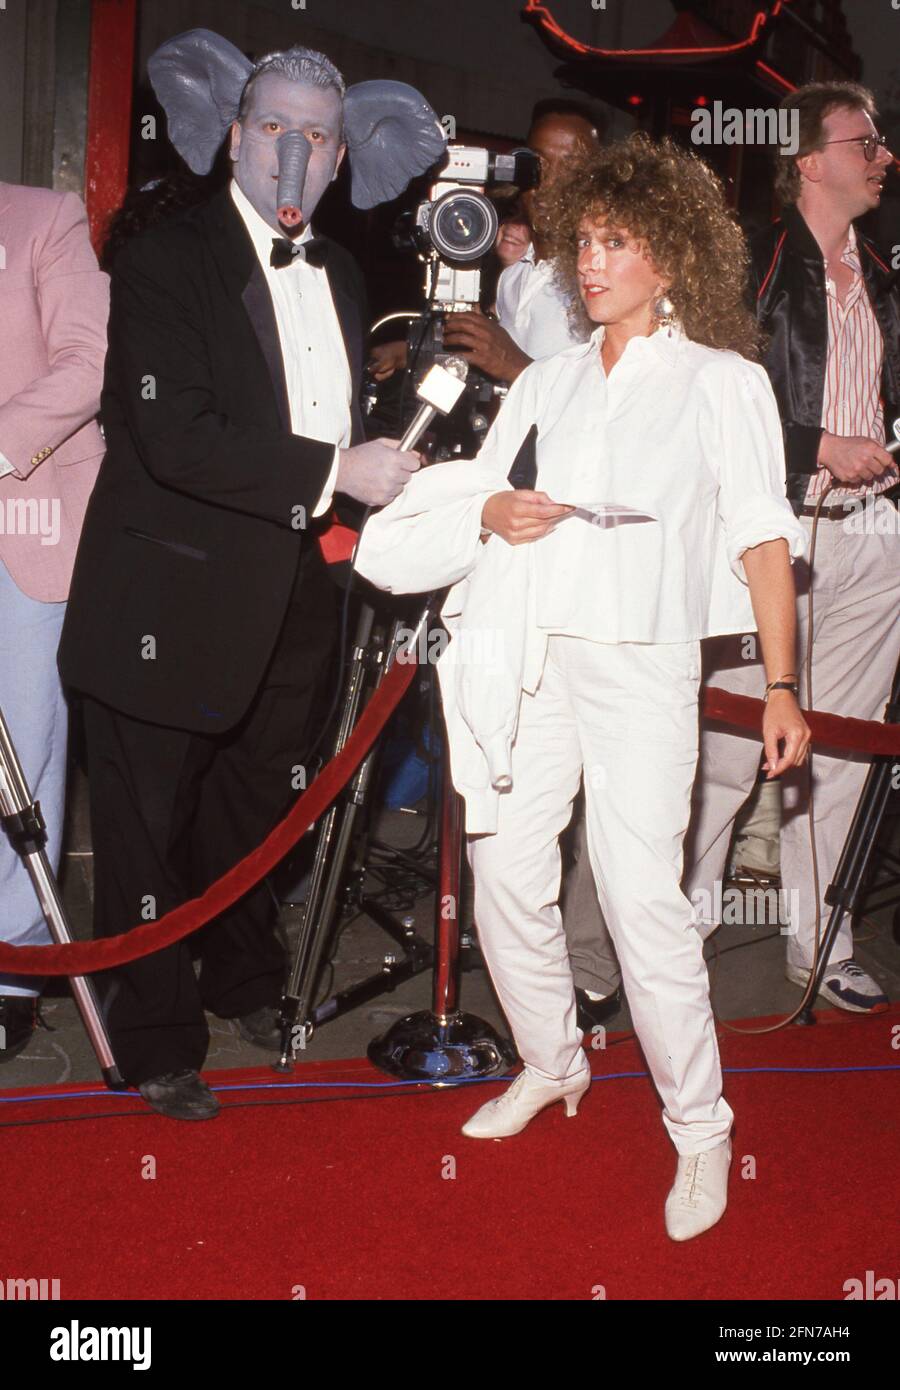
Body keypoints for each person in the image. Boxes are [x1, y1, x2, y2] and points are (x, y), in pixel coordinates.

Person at [355, 135, 809, 1240]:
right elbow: (485, 500)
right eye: (586, 241)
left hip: (643, 665)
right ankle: (553, 1061)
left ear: (676, 256)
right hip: (529, 648)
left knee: (644, 898)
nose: (593, 262)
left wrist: (785, 685)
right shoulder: (546, 379)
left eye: (619, 242)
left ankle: (701, 1127)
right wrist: (489, 512)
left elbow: (761, 541)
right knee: (504, 867)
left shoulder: (724, 381)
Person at [57, 44, 424, 1120]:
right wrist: (333, 471)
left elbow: (331, 418)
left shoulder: (347, 272)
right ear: (232, 134)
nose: (294, 153)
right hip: (167, 599)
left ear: (341, 154)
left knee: (261, 803)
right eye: (274, 127)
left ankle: (244, 977)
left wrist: (385, 476)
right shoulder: (168, 258)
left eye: (318, 134)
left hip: (300, 589)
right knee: (146, 822)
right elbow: (177, 436)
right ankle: (157, 1034)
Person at [371, 102, 622, 1028]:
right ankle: (505, 956)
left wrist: (517, 365)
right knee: (498, 765)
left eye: (572, 164)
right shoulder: (515, 268)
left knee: (575, 780)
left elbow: (602, 415)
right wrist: (428, 355)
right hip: (499, 538)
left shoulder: (609, 274)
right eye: (539, 167)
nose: (552, 186)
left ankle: (581, 967)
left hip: (577, 556)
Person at [685, 82, 900, 1014]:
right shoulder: (755, 266)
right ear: (812, 161)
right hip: (774, 535)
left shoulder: (884, 278)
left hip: (876, 538)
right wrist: (817, 444)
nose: (884, 155)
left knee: (846, 753)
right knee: (730, 747)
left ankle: (823, 942)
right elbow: (704, 397)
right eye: (866, 141)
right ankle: (676, 938)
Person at [0, 181, 109, 1062]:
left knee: (22, 744)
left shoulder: (42, 217)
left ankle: (11, 967)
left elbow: (85, 361)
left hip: (23, 520)